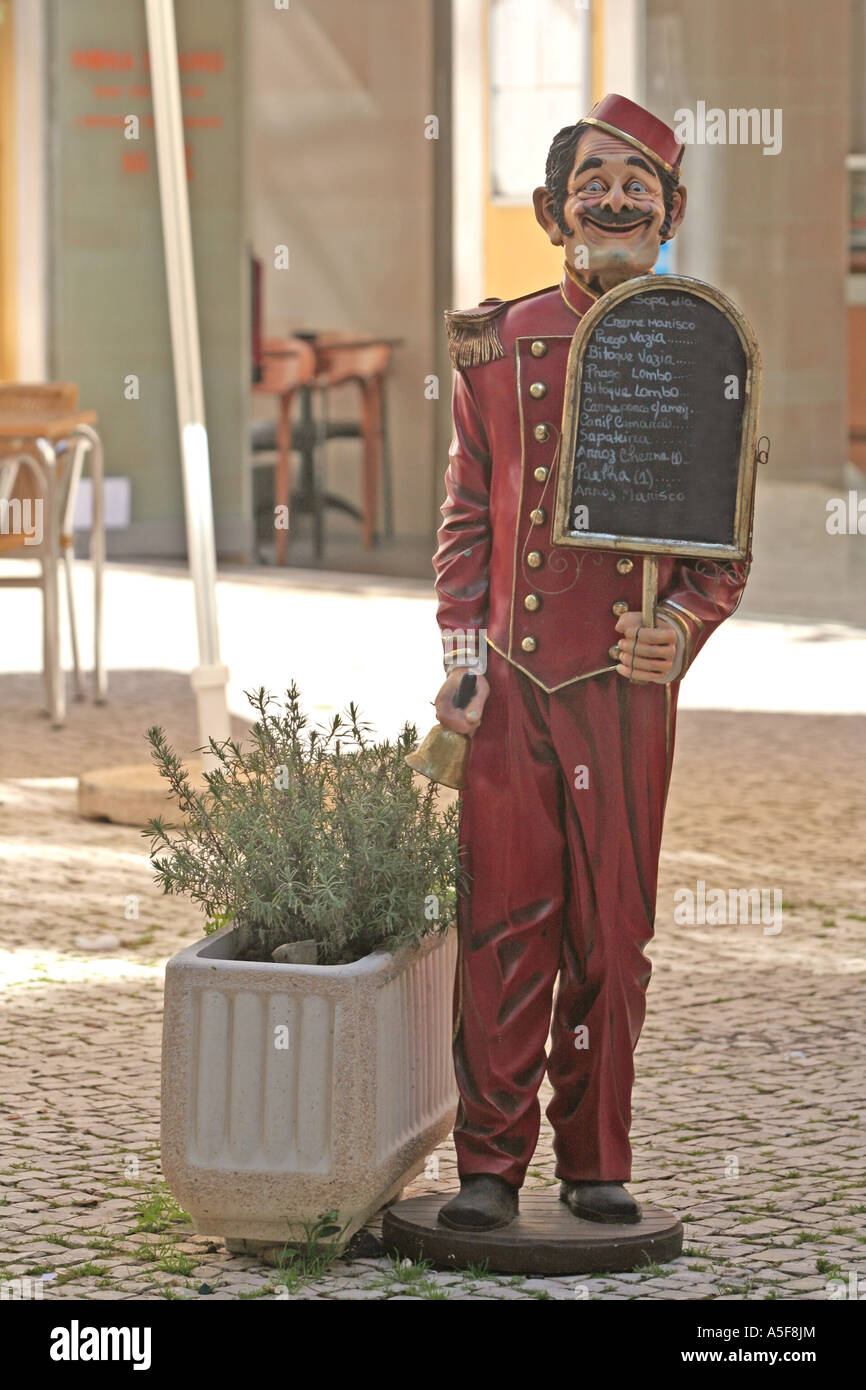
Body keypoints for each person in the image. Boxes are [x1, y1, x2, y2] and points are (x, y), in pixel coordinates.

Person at [432, 94, 750, 1231]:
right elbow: (468, 515)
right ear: (547, 209)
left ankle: (596, 1157)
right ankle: (487, 1161)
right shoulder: (494, 342)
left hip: (625, 686)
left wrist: (683, 628)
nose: (613, 199)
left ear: (670, 212)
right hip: (509, 683)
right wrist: (460, 652)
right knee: (502, 919)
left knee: (610, 931)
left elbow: (724, 541)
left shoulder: (701, 344)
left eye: (638, 184)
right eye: (592, 182)